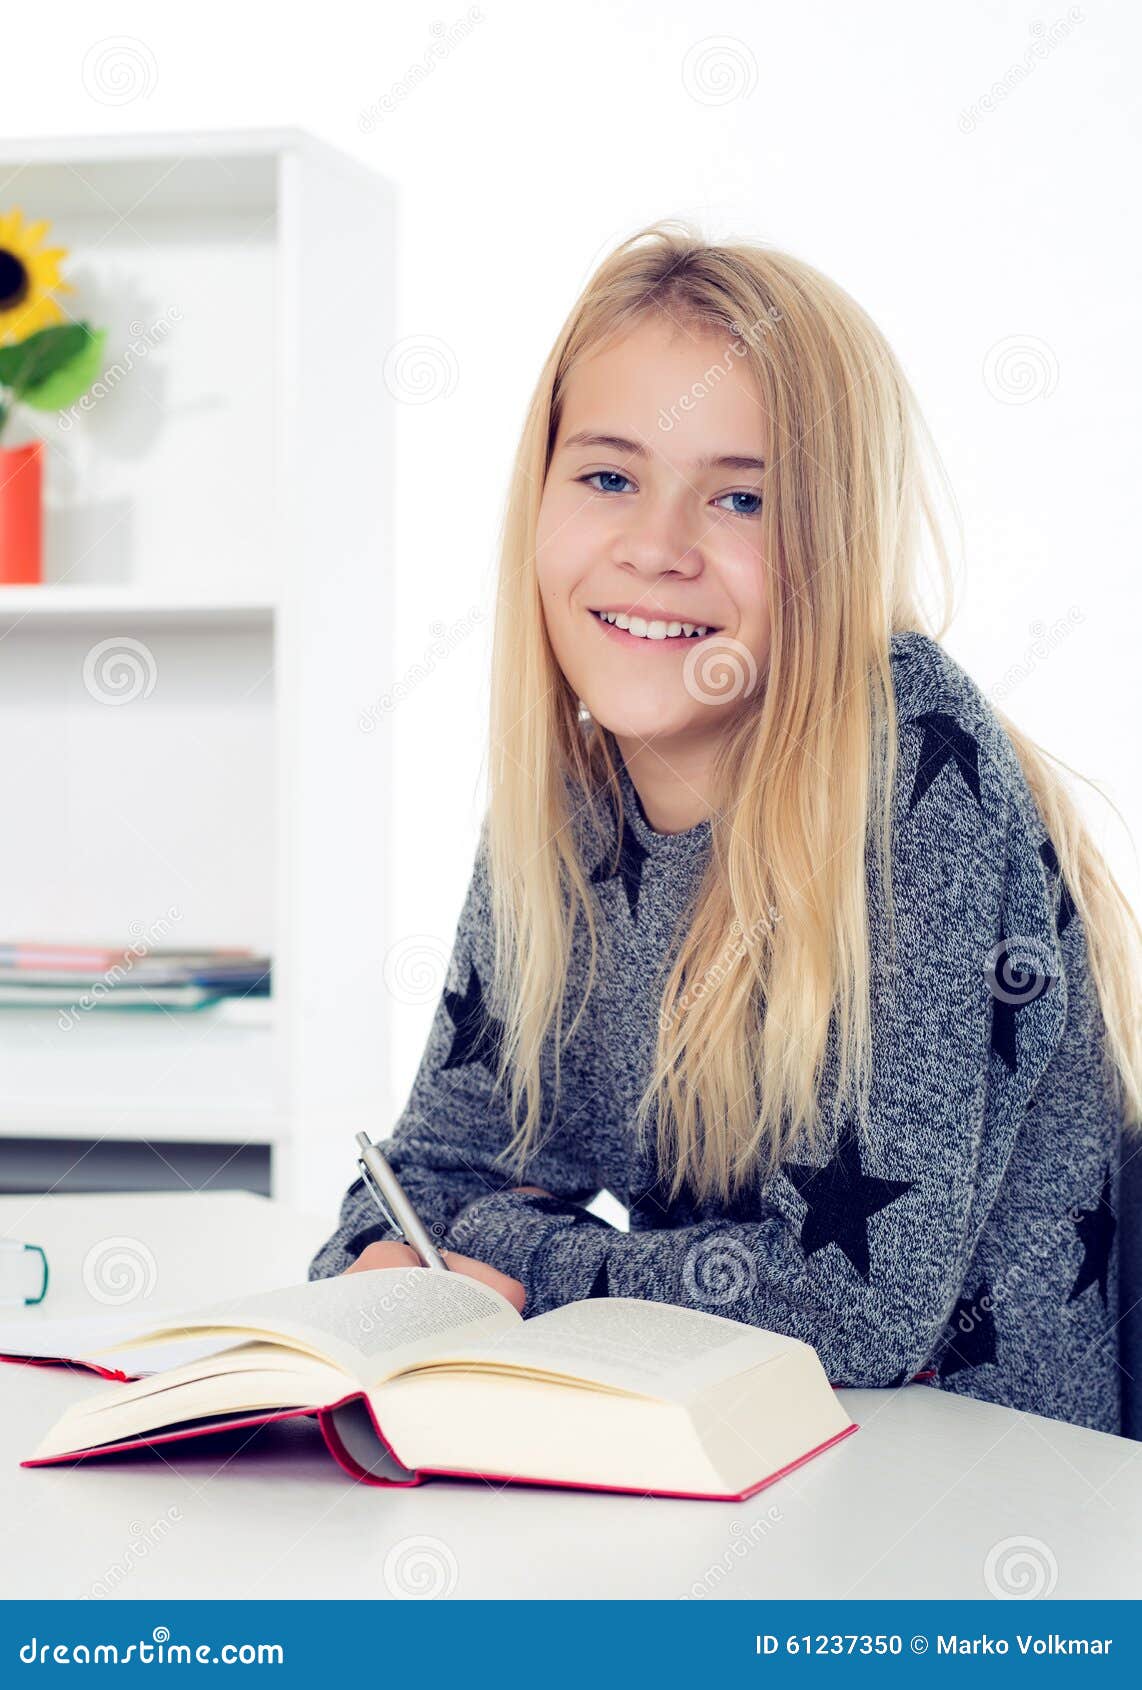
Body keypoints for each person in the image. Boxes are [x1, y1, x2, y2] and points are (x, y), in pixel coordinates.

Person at [309, 222, 1142, 1434]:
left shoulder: (909, 757)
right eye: (606, 477)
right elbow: (400, 1201)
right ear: (537, 505)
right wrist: (416, 1258)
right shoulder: (564, 800)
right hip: (716, 1456)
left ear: (831, 543)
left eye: (741, 498)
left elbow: (856, 1305)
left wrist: (504, 1261)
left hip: (967, 1498)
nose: (657, 547)